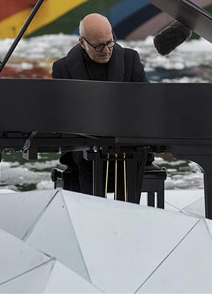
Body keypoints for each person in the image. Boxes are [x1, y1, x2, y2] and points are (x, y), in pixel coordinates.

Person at [53, 13, 147, 194]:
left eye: (110, 42)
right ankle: (92, 215)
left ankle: (129, 214)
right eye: (99, 46)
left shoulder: (130, 60)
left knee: (132, 155)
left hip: (127, 140)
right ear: (82, 43)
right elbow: (62, 117)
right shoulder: (62, 68)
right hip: (82, 143)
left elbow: (147, 103)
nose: (106, 49)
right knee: (89, 155)